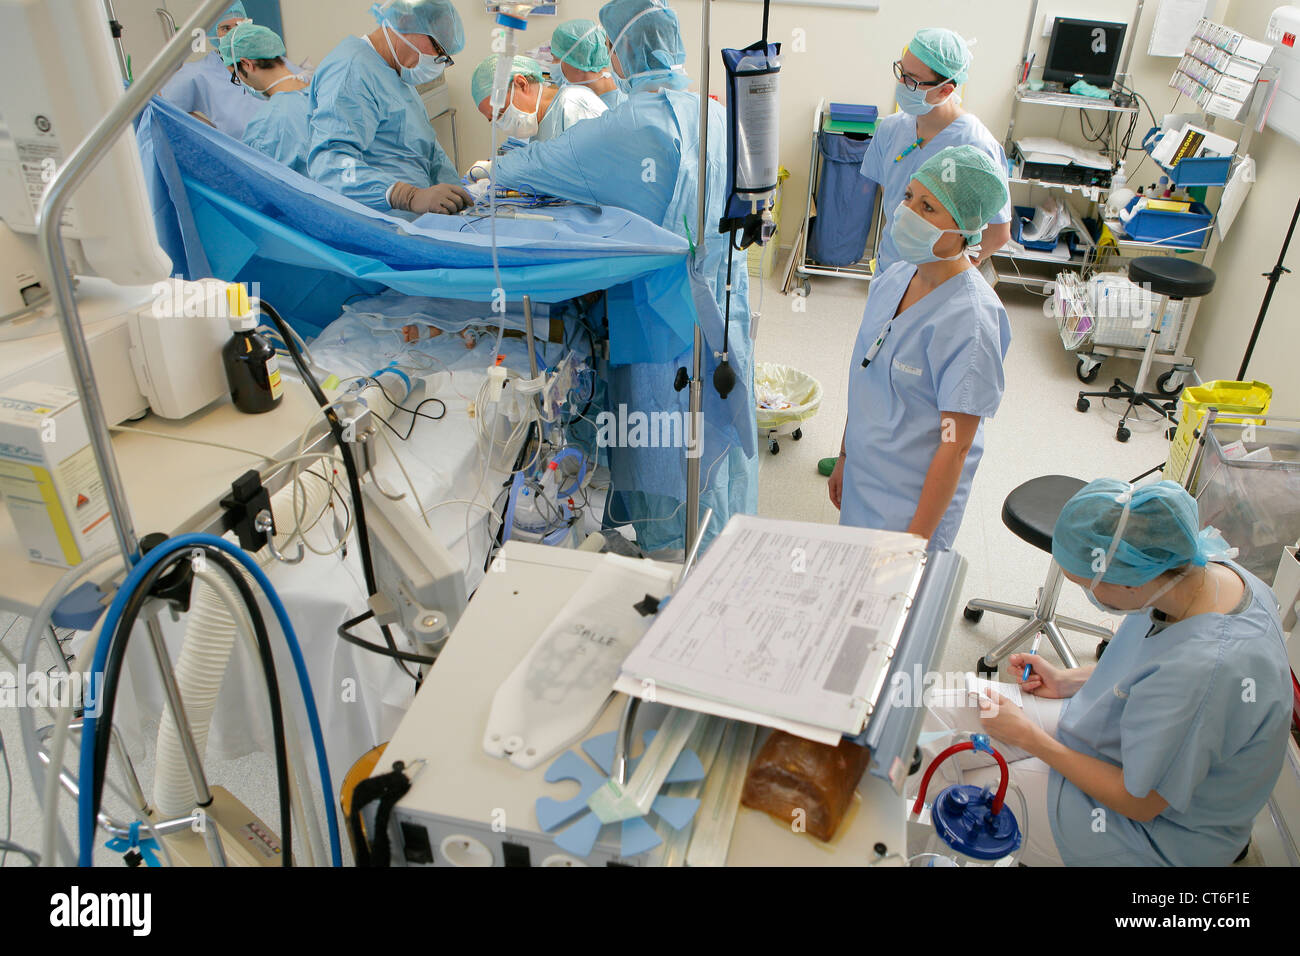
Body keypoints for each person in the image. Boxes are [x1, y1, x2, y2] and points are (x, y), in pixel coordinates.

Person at [490, 0, 757, 554]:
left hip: (663, 315)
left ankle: (675, 556)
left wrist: (503, 154)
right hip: (724, 300)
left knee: (665, 444)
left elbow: (528, 168)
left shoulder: (634, 122)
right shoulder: (714, 109)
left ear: (619, 50)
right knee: (714, 436)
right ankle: (723, 543)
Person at [920, 479, 1292, 866]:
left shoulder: (1206, 673)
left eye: (1087, 585)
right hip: (1125, 736)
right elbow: (1152, 657)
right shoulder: (1195, 572)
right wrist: (1070, 680)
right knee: (941, 713)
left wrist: (1031, 740)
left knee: (963, 803)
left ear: (1131, 582)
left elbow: (1140, 801)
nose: (1091, 597)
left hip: (1152, 830)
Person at [829, 145, 1010, 551]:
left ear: (964, 227)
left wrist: (913, 543)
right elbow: (866, 375)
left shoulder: (972, 321)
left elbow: (955, 445)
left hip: (911, 505)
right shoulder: (894, 277)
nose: (908, 212)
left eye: (929, 208)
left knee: (896, 607)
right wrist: (845, 455)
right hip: (863, 477)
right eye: (909, 196)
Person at [864, 28, 1012, 272]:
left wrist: (948, 273)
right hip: (888, 268)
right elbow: (892, 203)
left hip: (936, 282)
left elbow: (998, 233)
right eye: (901, 71)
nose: (901, 83)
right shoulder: (890, 129)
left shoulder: (976, 146)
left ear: (946, 90)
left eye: (911, 80)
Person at [307, 0, 472, 217]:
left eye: (444, 57)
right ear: (406, 21)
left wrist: (461, 196)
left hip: (415, 227)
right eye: (437, 49)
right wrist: (405, 195)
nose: (438, 62)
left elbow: (427, 151)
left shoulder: (399, 76)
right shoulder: (351, 71)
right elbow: (330, 163)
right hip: (378, 231)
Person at [160, 3, 264, 138]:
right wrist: (211, 134)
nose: (234, 34)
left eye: (239, 26)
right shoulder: (200, 72)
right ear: (213, 33)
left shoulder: (265, 63)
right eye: (226, 28)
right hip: (238, 154)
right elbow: (161, 104)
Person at [222, 24, 313, 175]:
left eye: (235, 76)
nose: (240, 82)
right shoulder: (323, 91)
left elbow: (261, 186)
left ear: (247, 64)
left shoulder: (266, 125)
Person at [470, 54, 606, 142]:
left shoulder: (573, 105)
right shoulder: (541, 124)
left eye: (500, 112)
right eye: (493, 120)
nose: (501, 122)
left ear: (522, 84)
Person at [551, 19, 625, 109]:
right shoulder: (620, 88)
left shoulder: (606, 112)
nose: (552, 64)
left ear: (578, 62)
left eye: (555, 59)